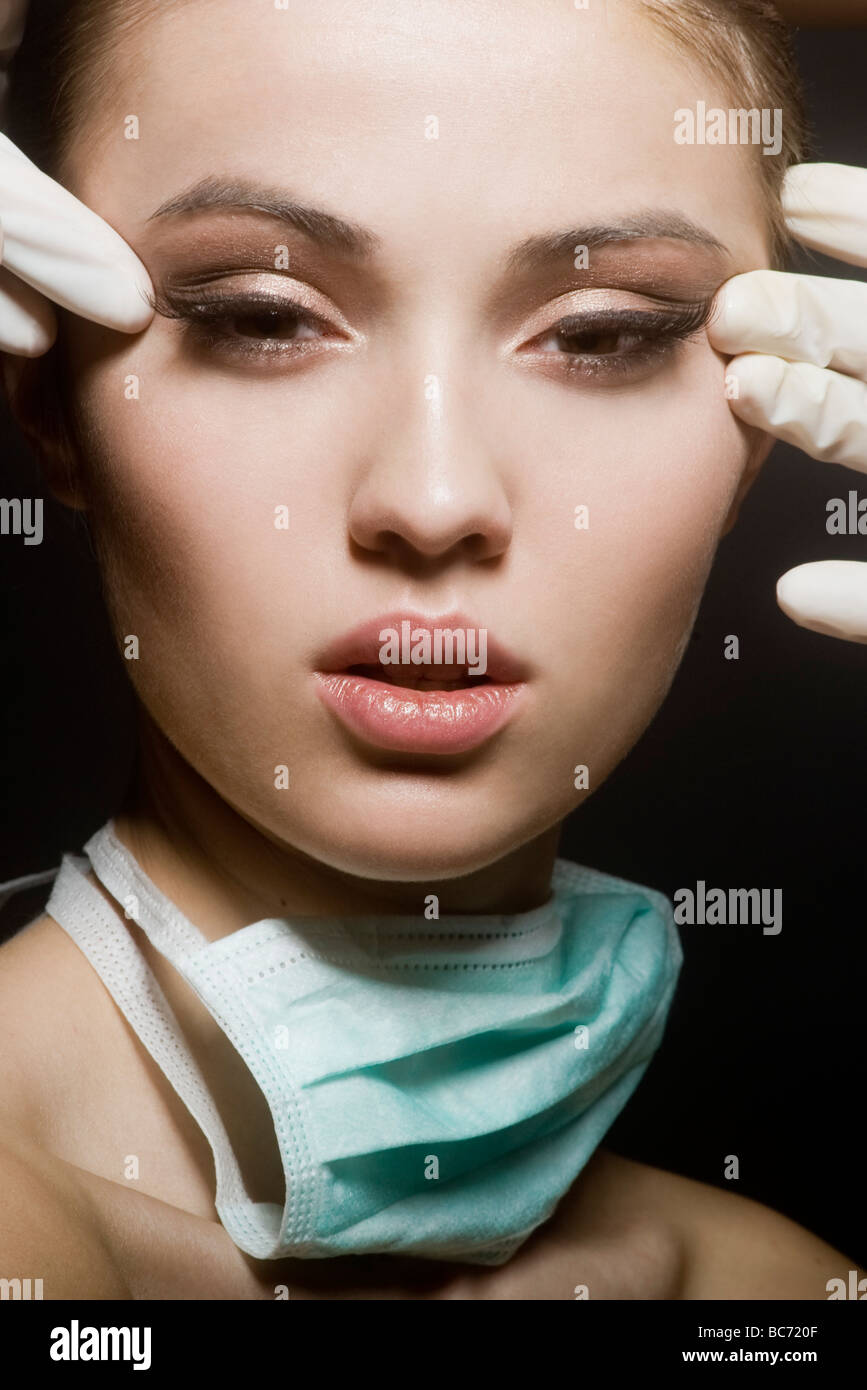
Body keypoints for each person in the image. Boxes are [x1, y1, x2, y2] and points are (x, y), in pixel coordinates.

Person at [0, 0, 864, 1299]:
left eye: (603, 332)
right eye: (260, 314)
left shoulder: (779, 1296)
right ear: (47, 402)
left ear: (775, 417)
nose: (436, 496)